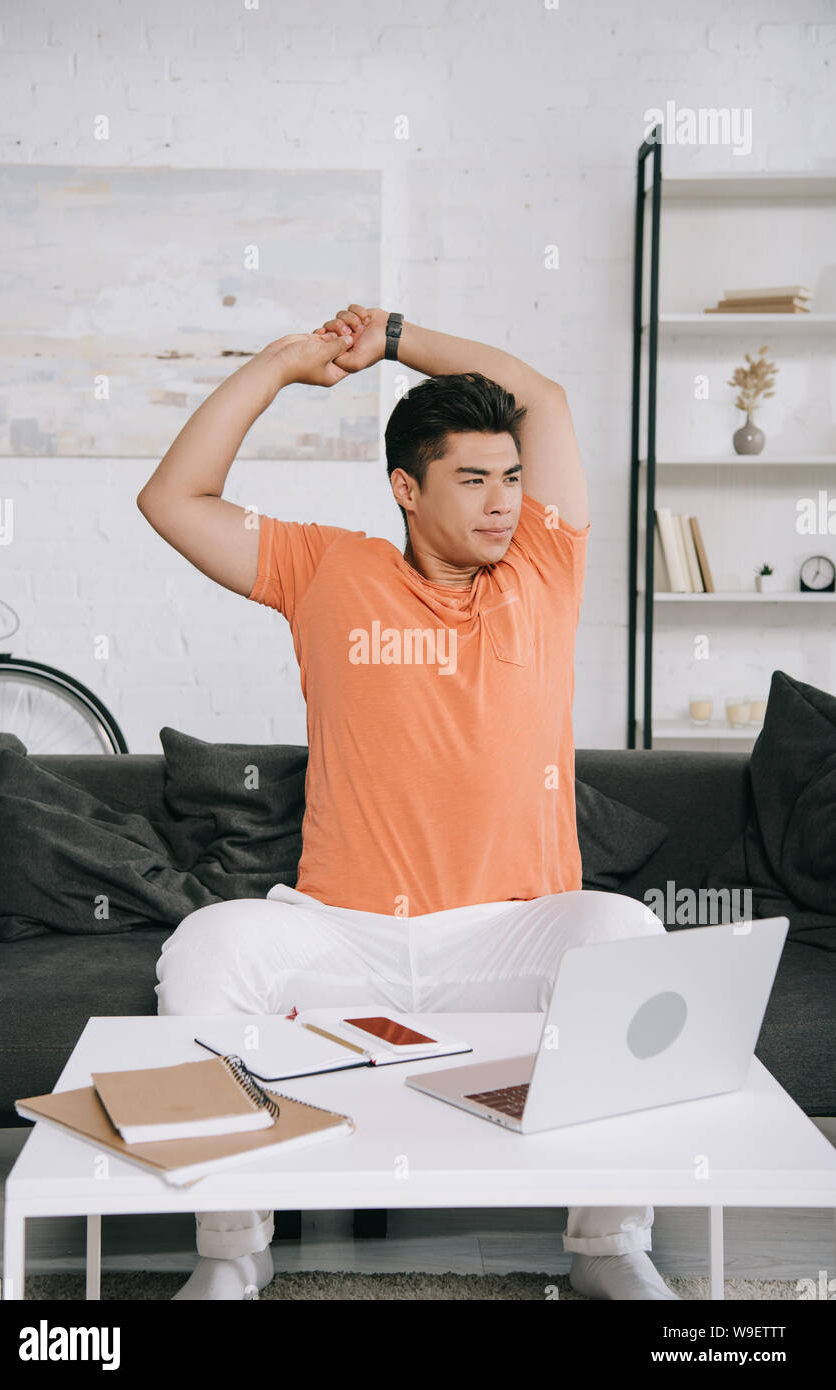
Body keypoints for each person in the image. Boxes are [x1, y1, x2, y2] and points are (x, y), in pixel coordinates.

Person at [138, 306, 680, 1302]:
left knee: (624, 929)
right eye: (472, 480)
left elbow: (544, 399)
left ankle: (609, 1243)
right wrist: (283, 365)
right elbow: (174, 497)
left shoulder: (544, 570)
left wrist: (389, 337)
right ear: (406, 487)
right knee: (207, 946)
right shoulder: (326, 569)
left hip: (505, 935)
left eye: (511, 477)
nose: (503, 502)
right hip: (344, 937)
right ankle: (230, 1244)